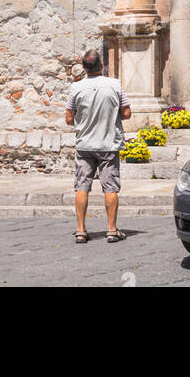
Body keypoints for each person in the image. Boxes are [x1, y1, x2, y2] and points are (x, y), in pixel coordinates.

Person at [64, 48, 131, 243]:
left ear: (84, 67)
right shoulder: (114, 85)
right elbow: (127, 113)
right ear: (102, 65)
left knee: (82, 186)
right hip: (108, 143)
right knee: (110, 187)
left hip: (85, 144)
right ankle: (111, 230)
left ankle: (81, 230)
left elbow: (69, 119)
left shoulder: (76, 88)